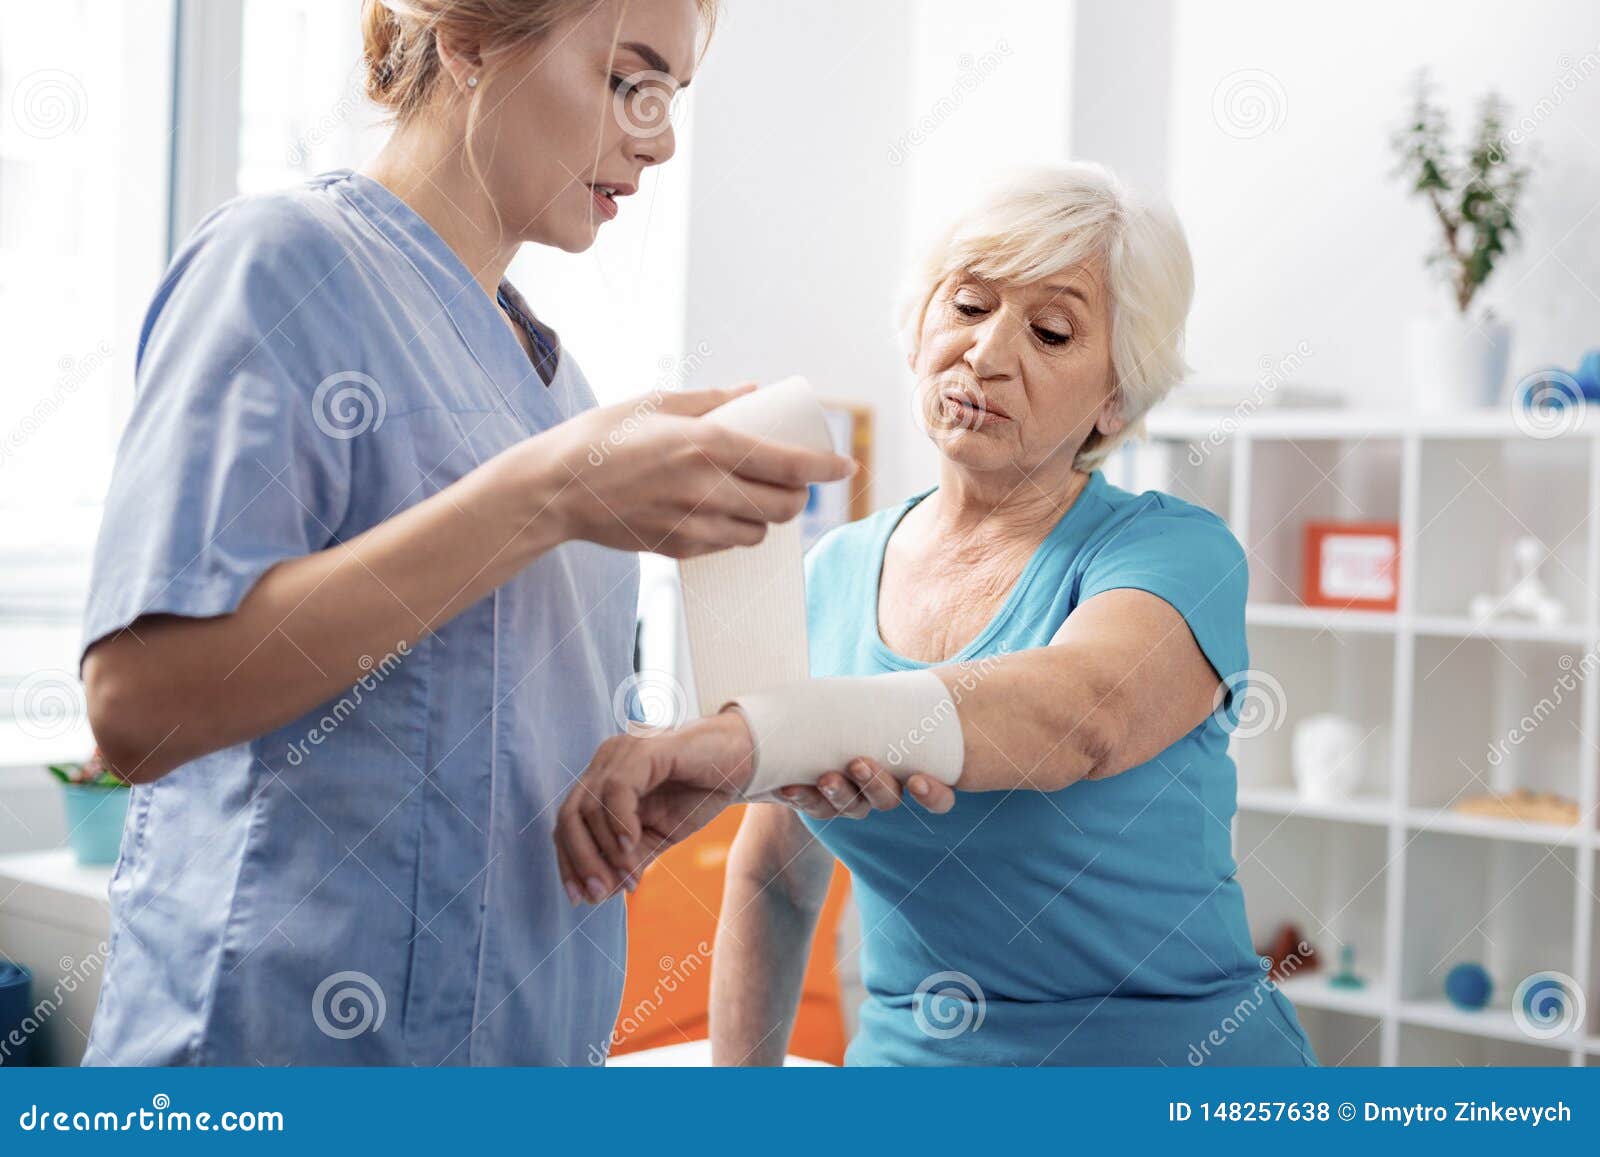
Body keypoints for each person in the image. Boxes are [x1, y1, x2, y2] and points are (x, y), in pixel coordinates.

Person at [77, 0, 901, 1067]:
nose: (659, 138)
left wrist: (658, 781)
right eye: (626, 82)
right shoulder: (283, 266)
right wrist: (546, 494)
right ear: (467, 40)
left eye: (672, 97)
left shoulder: (563, 395)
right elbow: (137, 706)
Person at [553, 163, 1317, 1067]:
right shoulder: (830, 573)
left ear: (1116, 394)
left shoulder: (1173, 554)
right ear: (919, 328)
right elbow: (777, 879)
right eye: (967, 305)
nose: (987, 354)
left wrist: (764, 738)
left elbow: (1080, 717)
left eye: (1050, 330)